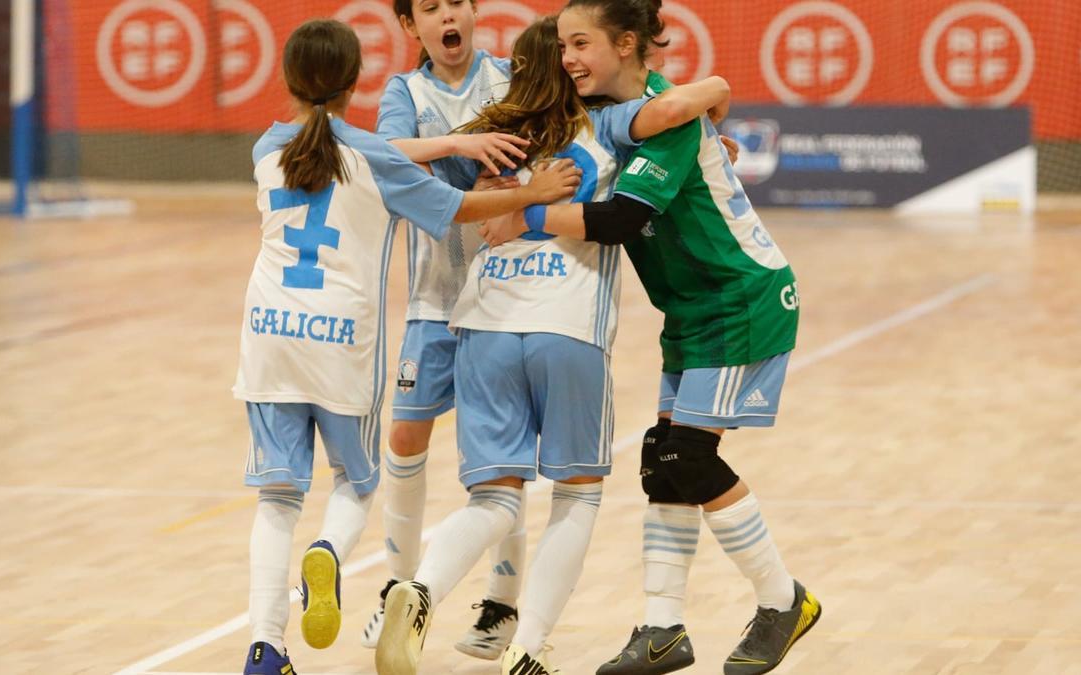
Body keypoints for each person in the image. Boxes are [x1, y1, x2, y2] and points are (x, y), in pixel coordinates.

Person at [373, 15, 736, 675]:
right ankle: (526, 647)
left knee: (494, 498)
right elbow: (678, 106)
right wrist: (717, 114)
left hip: (479, 323)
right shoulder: (607, 123)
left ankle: (420, 585)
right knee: (577, 494)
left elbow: (397, 169)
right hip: (565, 325)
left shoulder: (489, 141)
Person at [481, 2, 822, 674]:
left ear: (628, 43)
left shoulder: (668, 117)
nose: (568, 57)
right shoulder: (617, 111)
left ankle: (784, 600)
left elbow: (619, 218)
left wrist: (522, 214)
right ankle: (663, 627)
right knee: (661, 457)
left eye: (581, 43)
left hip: (740, 299)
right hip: (692, 309)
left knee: (688, 458)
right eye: (561, 45)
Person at [233, 19, 580, 675]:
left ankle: (265, 644)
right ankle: (332, 553)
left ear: (286, 81)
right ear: (355, 81)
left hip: (266, 334)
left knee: (276, 499)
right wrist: (533, 191)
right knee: (358, 482)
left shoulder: (264, 147)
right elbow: (453, 206)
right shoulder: (374, 154)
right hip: (340, 337)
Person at [362, 0, 535, 658]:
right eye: (429, 9)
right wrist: (459, 145)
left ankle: (502, 601)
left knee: (499, 461)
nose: (445, 16)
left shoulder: (509, 80)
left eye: (454, 3)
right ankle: (399, 589)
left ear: (472, 12)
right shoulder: (405, 90)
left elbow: (550, 146)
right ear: (412, 27)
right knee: (405, 432)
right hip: (434, 300)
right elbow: (385, 155)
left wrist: (511, 177)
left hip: (507, 297)